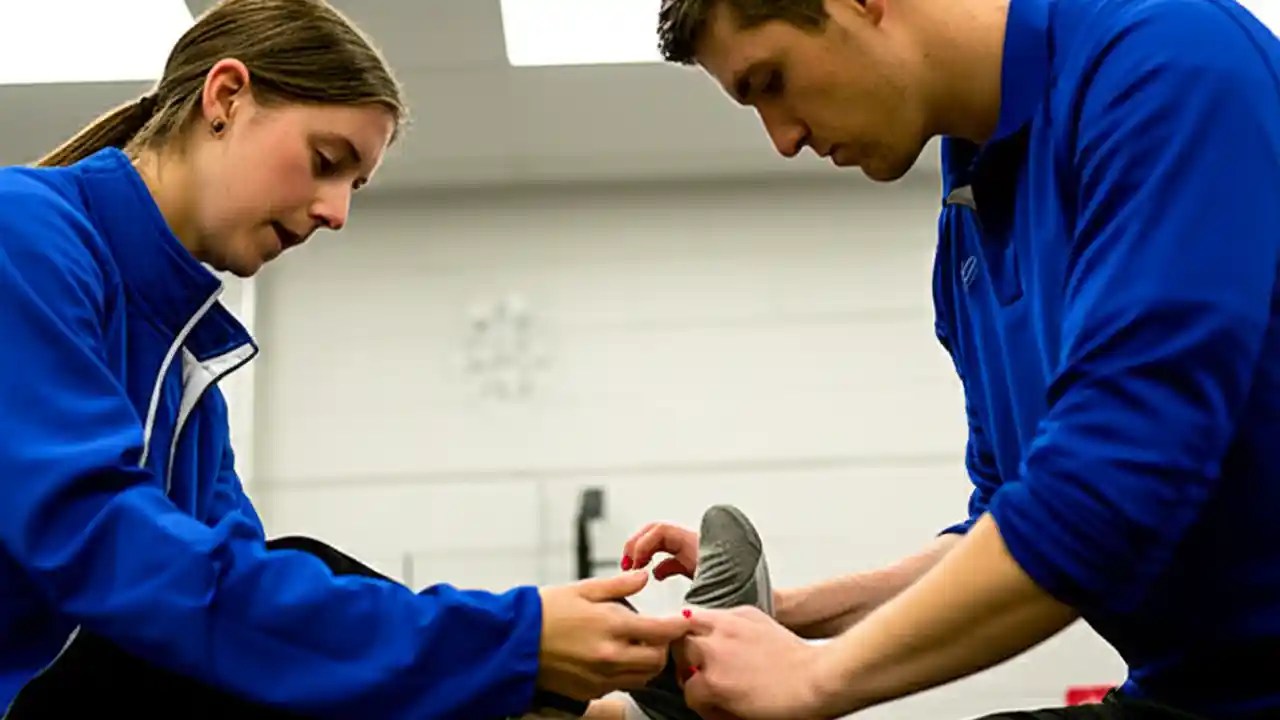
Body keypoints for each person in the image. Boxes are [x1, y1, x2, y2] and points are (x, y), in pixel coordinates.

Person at [0, 1, 693, 717]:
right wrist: (515, 640)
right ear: (226, 98)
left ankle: (599, 702)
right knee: (252, 617)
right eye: (326, 163)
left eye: (353, 187)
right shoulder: (21, 234)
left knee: (278, 611)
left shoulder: (188, 383)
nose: (336, 213)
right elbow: (113, 550)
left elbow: (250, 593)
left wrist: (520, 648)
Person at [621, 0, 1280, 718]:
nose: (782, 138)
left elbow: (1107, 496)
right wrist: (785, 617)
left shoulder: (1163, 63)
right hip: (1197, 693)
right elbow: (1008, 520)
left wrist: (814, 679)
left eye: (770, 81)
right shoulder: (968, 215)